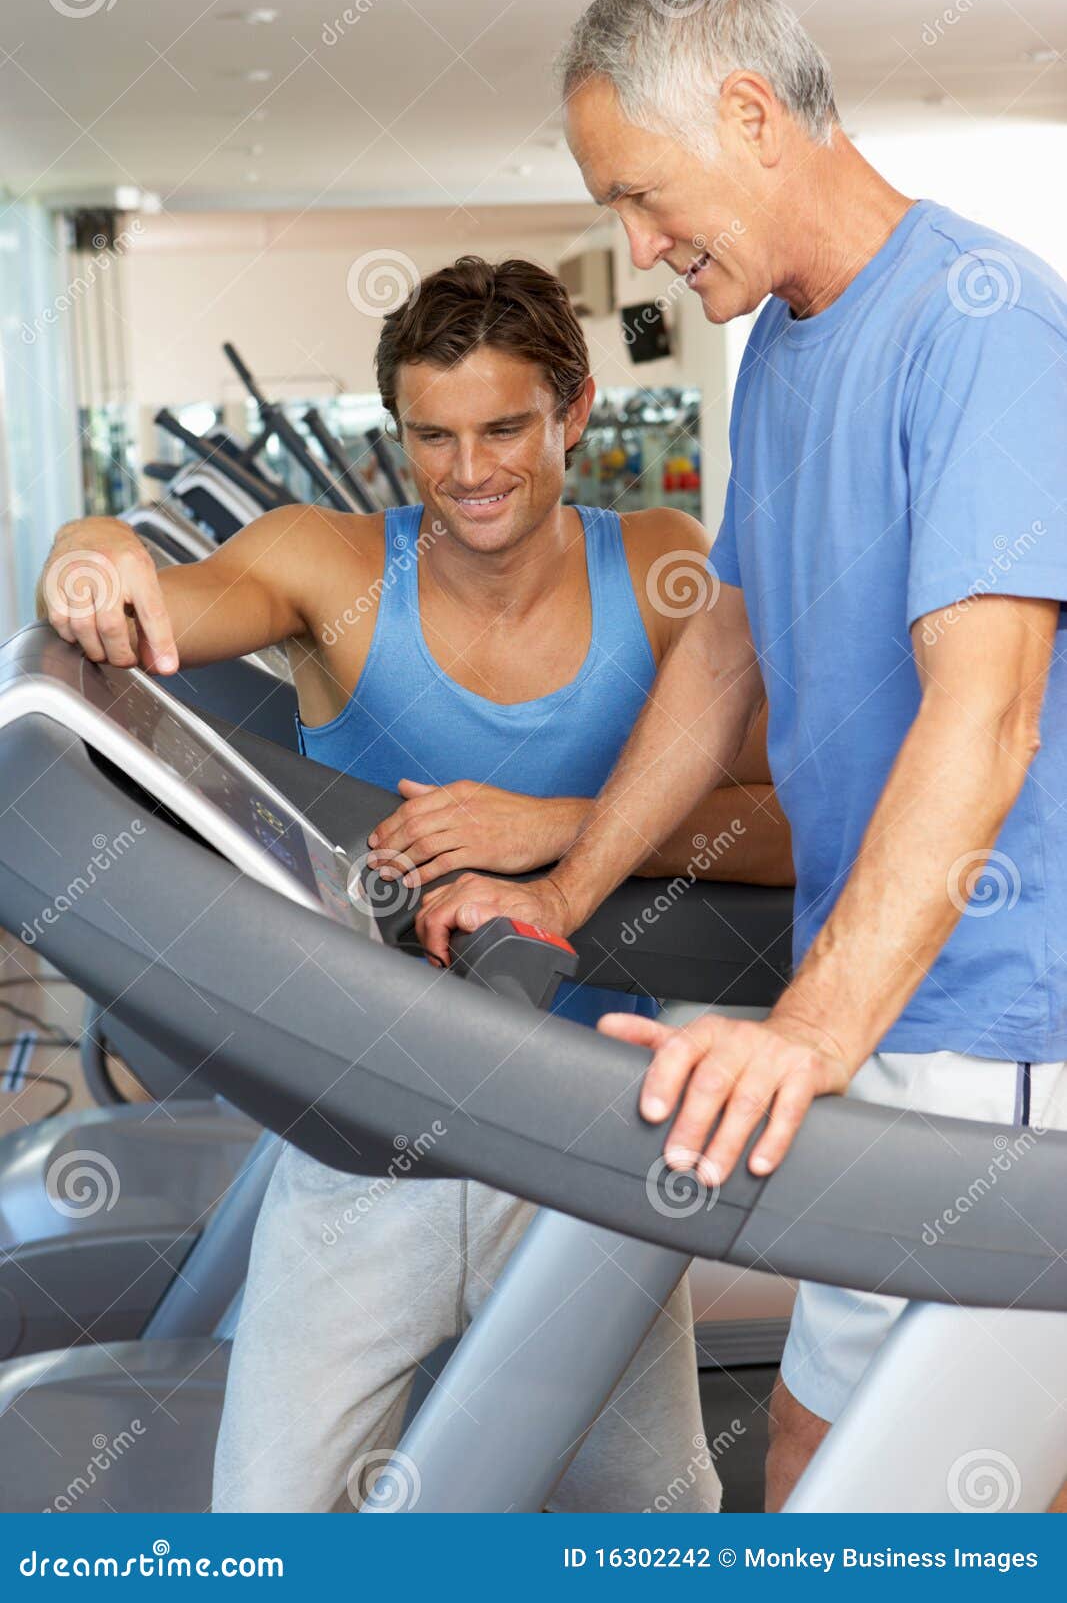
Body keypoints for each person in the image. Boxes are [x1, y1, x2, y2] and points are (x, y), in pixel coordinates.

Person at [414, 0, 1067, 1511]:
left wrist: (806, 1034)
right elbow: (724, 653)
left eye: (638, 194)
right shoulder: (778, 347)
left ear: (749, 116)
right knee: (821, 1460)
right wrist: (561, 900)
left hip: (1006, 1023)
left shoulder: (983, 326)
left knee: (919, 1485)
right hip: (889, 1008)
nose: (636, 245)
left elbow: (988, 710)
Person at [39, 254, 791, 1512]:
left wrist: (552, 826)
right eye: (432, 436)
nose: (469, 470)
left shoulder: (662, 573)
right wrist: (87, 543)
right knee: (266, 1525)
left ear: (575, 411)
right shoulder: (323, 565)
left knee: (654, 1523)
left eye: (504, 426)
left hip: (587, 1146)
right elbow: (147, 606)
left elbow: (781, 825)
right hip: (362, 1143)